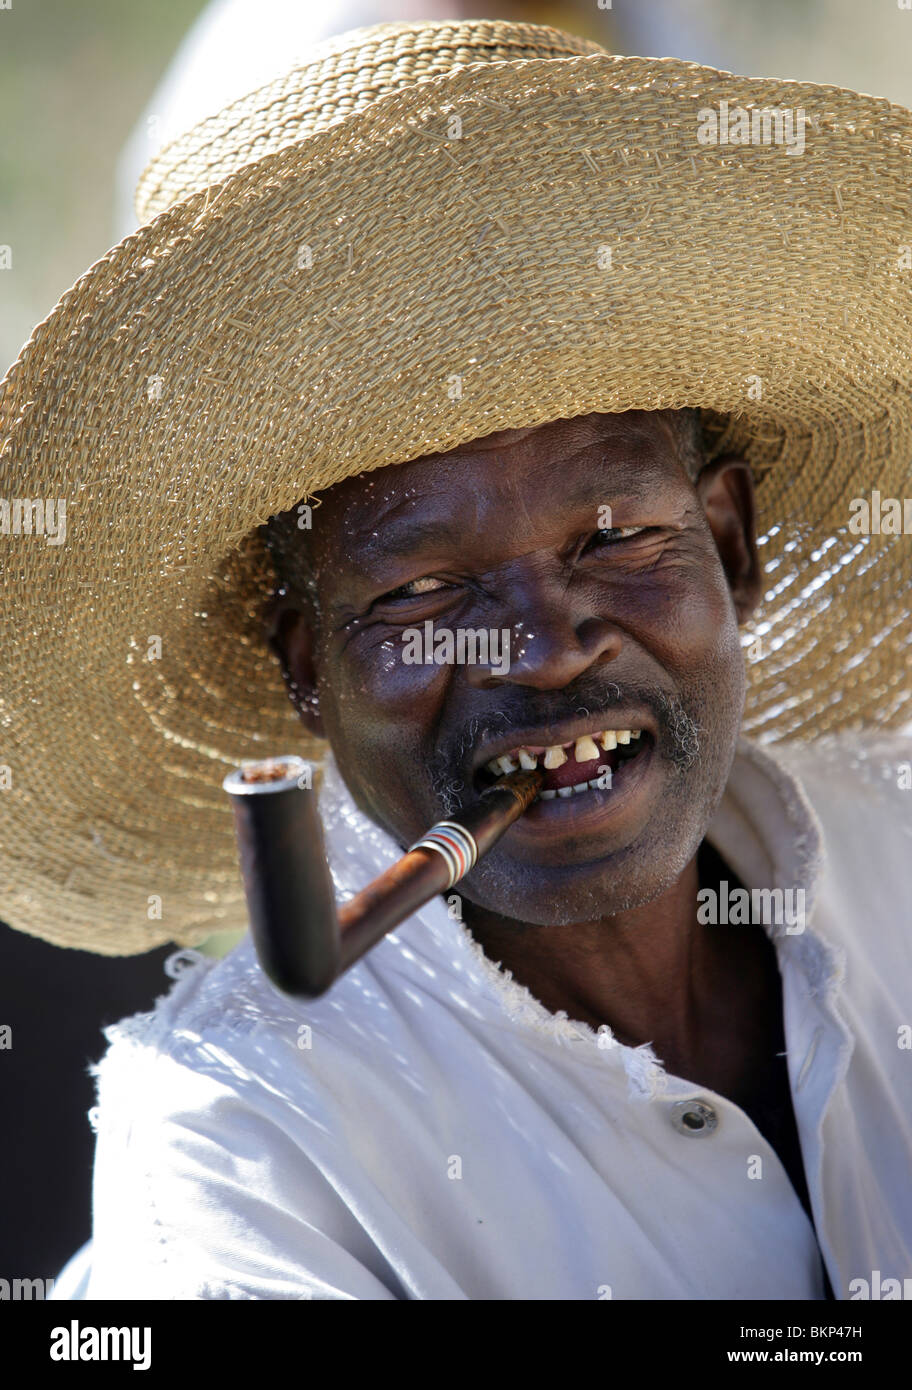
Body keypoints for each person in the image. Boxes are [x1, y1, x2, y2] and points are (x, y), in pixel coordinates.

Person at [2, 19, 909, 1300]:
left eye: (614, 539)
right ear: (309, 669)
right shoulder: (245, 1143)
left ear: (731, 539)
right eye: (424, 592)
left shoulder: (899, 852)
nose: (541, 649)